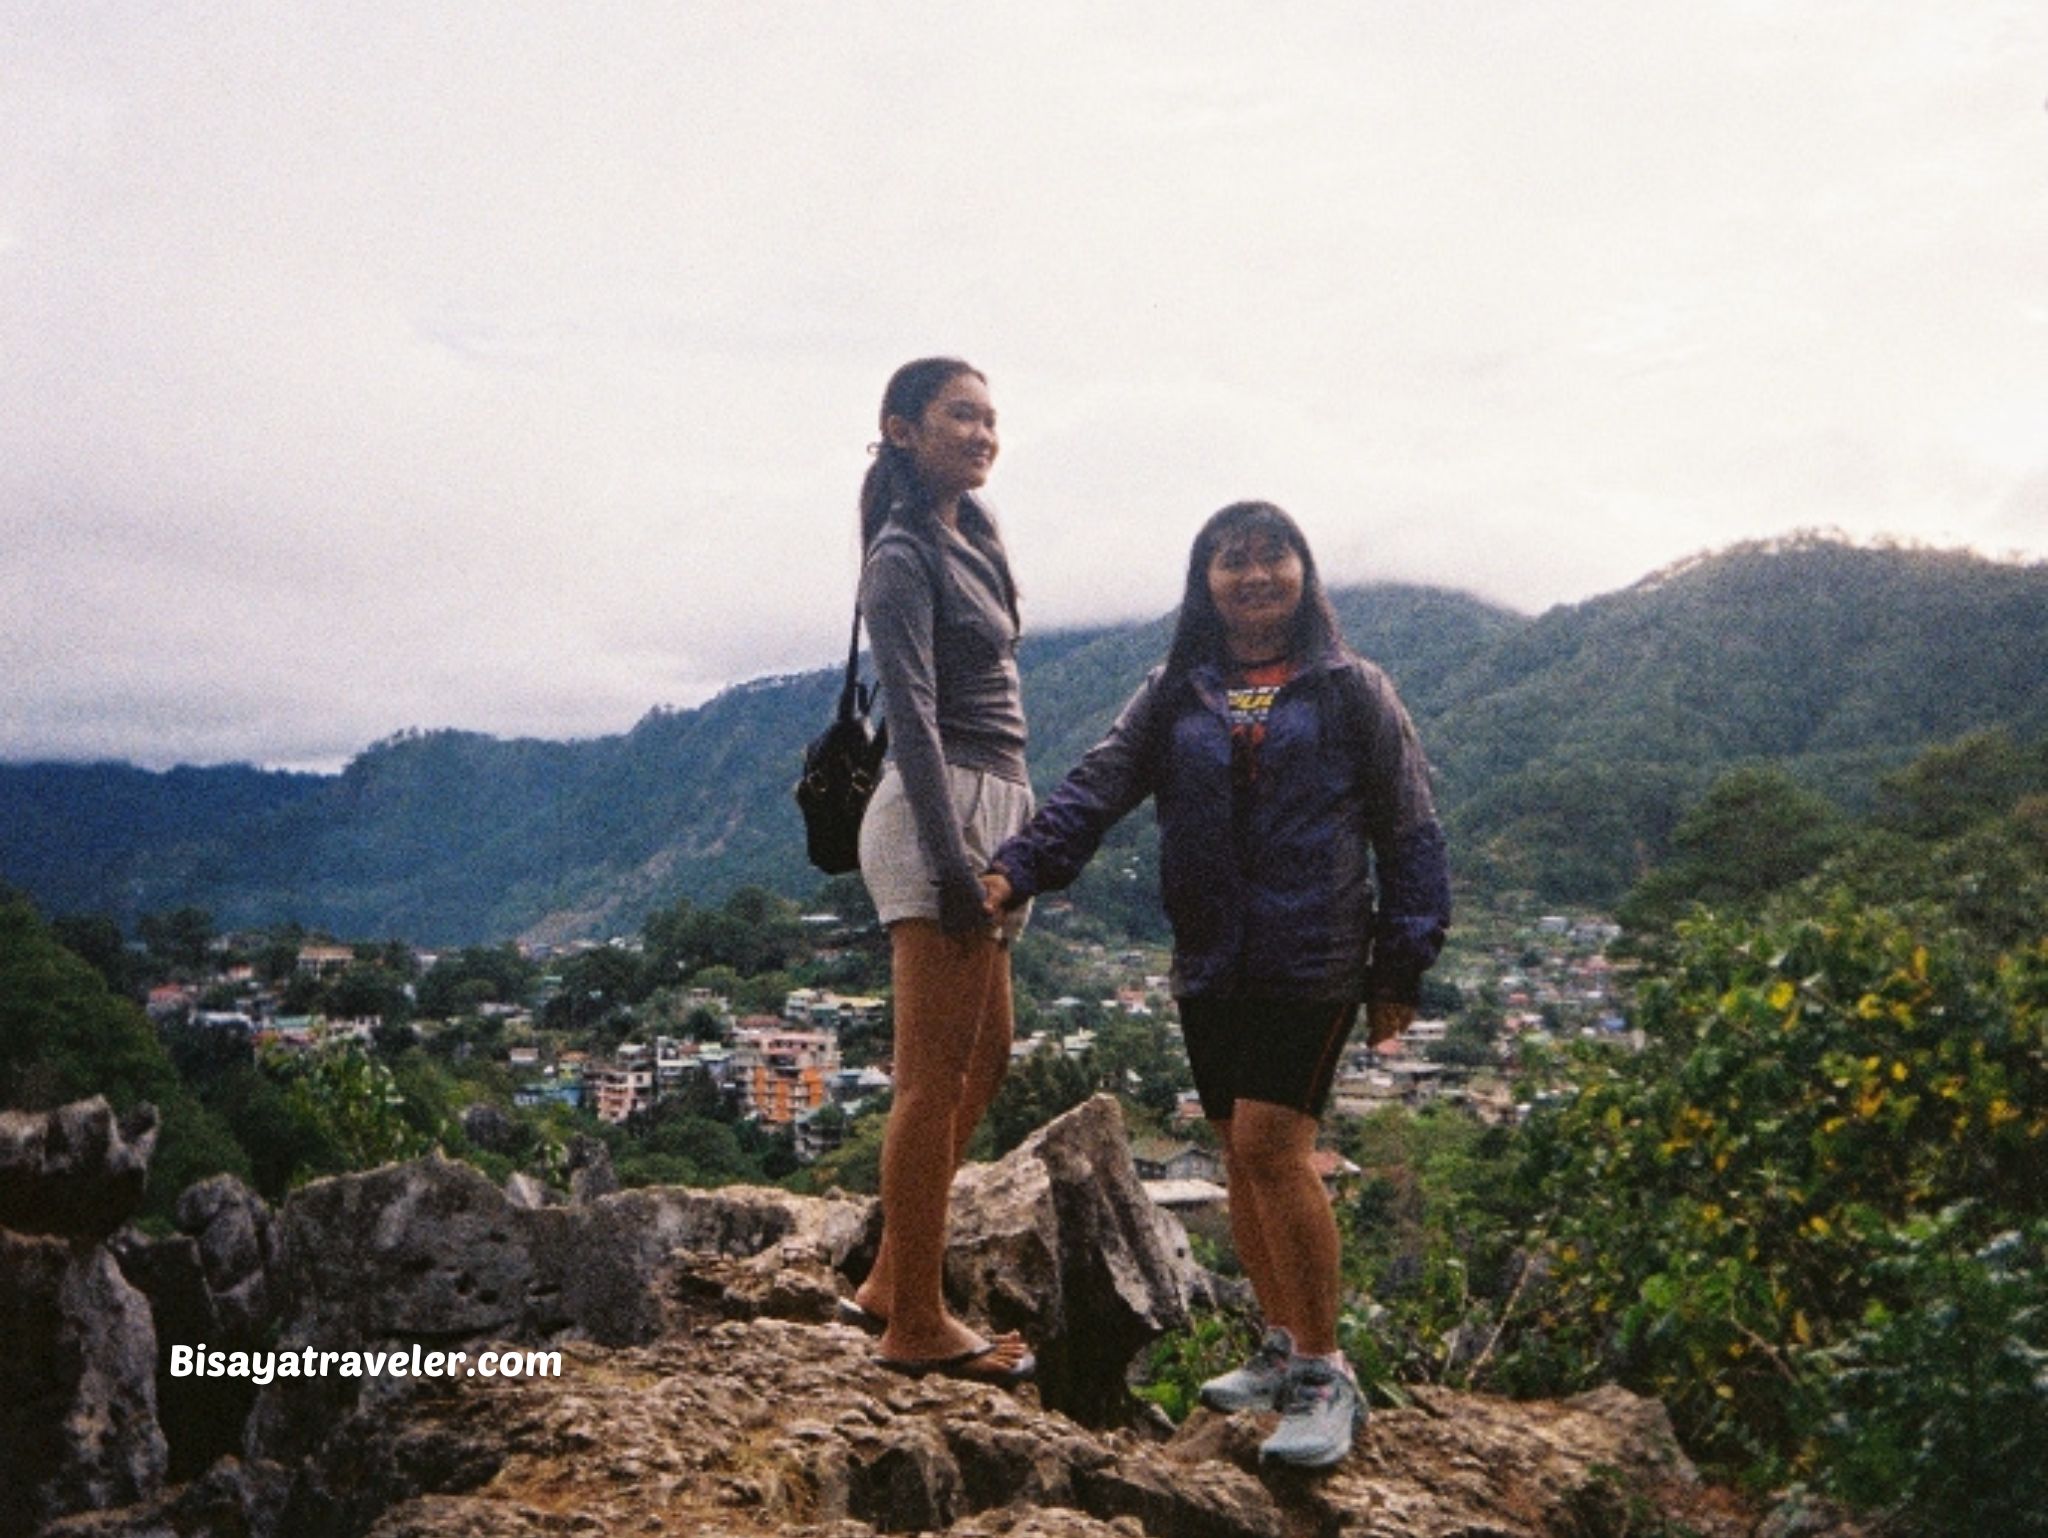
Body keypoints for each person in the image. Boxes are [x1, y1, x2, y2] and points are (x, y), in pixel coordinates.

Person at [982, 500, 1450, 1465]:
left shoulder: (1353, 688)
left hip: (1313, 952)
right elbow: (1097, 786)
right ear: (1206, 581)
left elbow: (1410, 829)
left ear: (1303, 572)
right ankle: (1281, 1347)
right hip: (1209, 953)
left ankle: (1327, 1372)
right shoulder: (1175, 692)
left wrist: (1401, 962)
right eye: (1231, 561)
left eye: (1271, 556)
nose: (1254, 575)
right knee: (1239, 1152)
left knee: (1278, 1149)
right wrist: (1018, 866)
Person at [846, 357, 1035, 1386]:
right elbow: (911, 720)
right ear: (902, 428)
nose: (982, 430)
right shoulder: (901, 553)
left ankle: (889, 1269)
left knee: (989, 1052)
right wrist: (960, 860)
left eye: (990, 416)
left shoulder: (977, 531)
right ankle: (912, 1318)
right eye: (960, 413)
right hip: (938, 806)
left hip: (995, 797)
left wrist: (1014, 838)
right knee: (930, 1077)